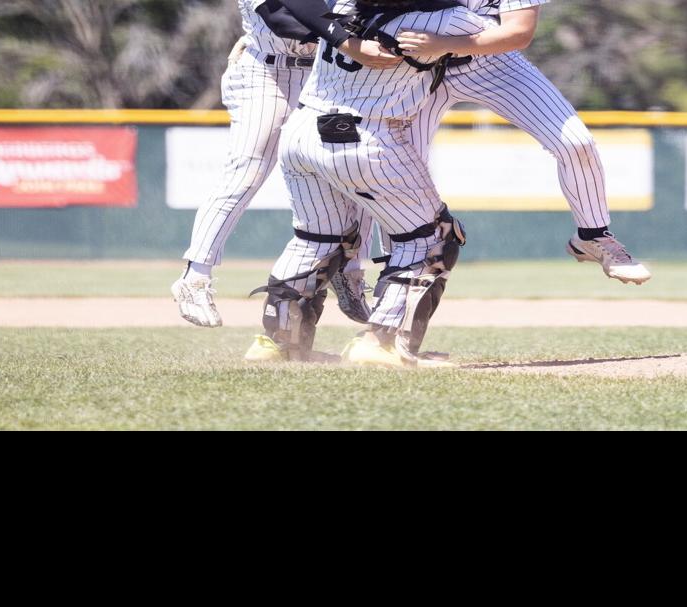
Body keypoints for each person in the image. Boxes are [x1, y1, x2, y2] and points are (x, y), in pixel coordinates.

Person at [244, 0, 490, 367]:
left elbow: (278, 9)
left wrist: (340, 37)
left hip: (301, 133)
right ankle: (381, 342)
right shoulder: (451, 19)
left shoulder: (340, 5)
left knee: (317, 238)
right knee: (433, 237)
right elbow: (508, 36)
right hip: (367, 134)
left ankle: (278, 344)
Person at [171, 1, 406, 328]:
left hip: (322, 72)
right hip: (267, 73)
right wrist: (350, 35)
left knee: (352, 168)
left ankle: (349, 272)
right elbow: (282, 20)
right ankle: (194, 278)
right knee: (246, 173)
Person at [392, 0, 652, 285]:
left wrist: (442, 42)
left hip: (491, 63)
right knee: (384, 164)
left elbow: (520, 33)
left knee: (577, 143)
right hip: (414, 68)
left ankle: (592, 235)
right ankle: (367, 268)